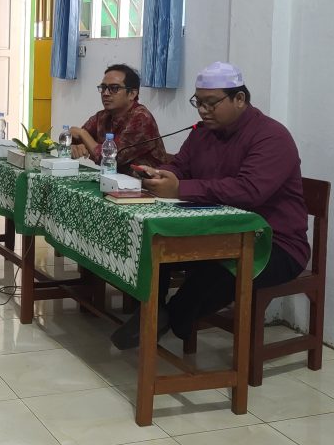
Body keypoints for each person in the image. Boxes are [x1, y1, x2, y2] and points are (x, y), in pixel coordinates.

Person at [111, 61, 310, 349]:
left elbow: (249, 191)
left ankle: (167, 317)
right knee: (159, 243)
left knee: (221, 269)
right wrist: (162, 176)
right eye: (198, 103)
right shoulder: (203, 131)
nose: (203, 110)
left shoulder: (271, 136)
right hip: (219, 230)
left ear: (239, 99)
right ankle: (152, 311)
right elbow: (181, 166)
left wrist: (180, 188)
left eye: (211, 103)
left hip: (274, 243)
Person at [70, 64, 166, 170]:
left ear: (132, 94)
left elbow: (108, 159)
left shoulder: (142, 119)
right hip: (113, 179)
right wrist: (74, 146)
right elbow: (72, 139)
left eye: (114, 88)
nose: (105, 93)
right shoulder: (103, 116)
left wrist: (82, 133)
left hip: (145, 183)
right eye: (103, 88)